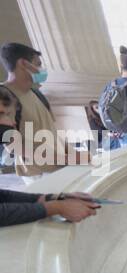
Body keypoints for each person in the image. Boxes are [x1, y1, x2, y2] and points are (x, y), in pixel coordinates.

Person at [1, 42, 88, 185]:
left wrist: (72, 152)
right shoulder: (4, 96)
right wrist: (67, 159)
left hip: (60, 168)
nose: (41, 69)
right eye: (38, 64)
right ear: (23, 64)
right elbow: (15, 147)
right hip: (40, 175)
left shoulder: (35, 93)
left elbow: (51, 131)